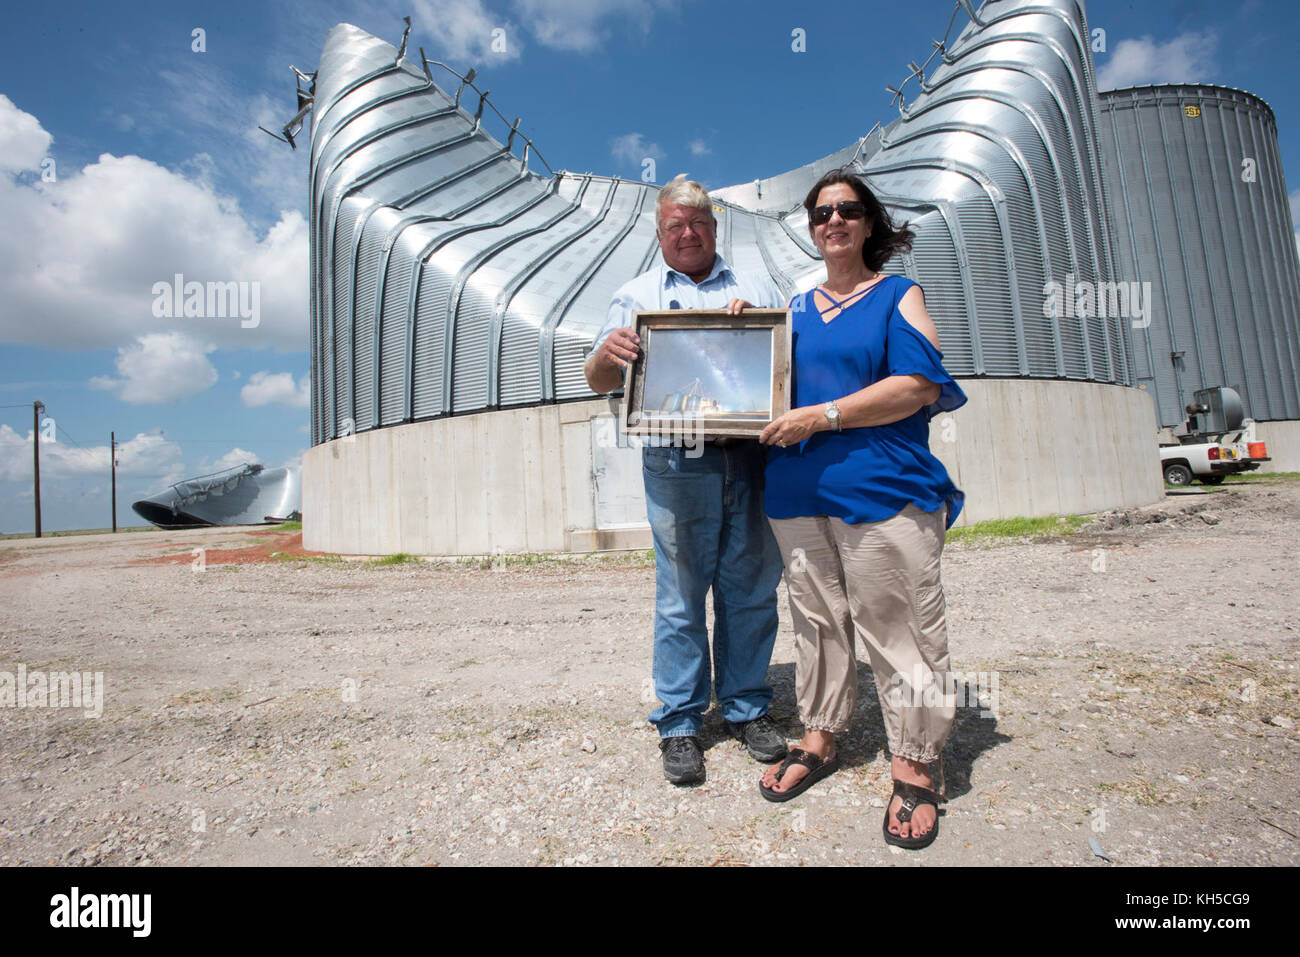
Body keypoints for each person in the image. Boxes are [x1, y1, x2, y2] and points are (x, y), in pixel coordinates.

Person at [755, 169, 966, 850]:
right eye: (821, 212)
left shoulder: (899, 296)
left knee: (896, 624)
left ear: (871, 222)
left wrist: (827, 414)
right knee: (816, 622)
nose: (833, 220)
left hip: (880, 490)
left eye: (847, 209)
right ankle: (820, 733)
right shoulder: (792, 309)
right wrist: (730, 328)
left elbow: (917, 384)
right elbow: (752, 379)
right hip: (796, 492)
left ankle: (914, 759)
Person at [585, 174, 788, 785]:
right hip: (676, 460)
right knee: (679, 597)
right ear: (660, 232)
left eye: (698, 223)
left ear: (714, 228)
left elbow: (786, 363)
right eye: (675, 225)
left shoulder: (755, 288)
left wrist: (761, 333)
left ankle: (747, 706)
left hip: (751, 456)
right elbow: (597, 379)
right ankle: (679, 722)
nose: (687, 233)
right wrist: (609, 353)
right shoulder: (634, 297)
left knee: (750, 588)